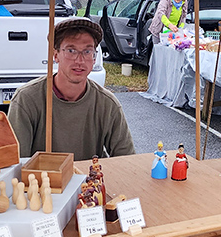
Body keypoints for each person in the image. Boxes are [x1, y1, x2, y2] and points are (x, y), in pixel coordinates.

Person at [8, 16, 135, 160]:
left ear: (94, 58)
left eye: (87, 52)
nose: (79, 60)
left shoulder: (107, 104)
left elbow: (127, 160)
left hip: (90, 180)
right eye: (71, 50)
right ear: (55, 55)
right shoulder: (26, 99)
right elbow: (16, 163)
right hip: (43, 180)